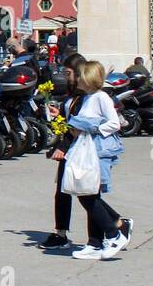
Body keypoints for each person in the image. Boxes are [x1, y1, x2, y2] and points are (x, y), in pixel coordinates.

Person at [62, 60, 131, 260]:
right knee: (87, 193)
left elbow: (114, 123)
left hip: (97, 151)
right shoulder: (87, 97)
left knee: (88, 194)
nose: (77, 79)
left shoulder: (101, 97)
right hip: (86, 149)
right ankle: (95, 242)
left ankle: (113, 233)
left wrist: (92, 130)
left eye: (81, 75)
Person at [43, 51, 87, 249]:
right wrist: (58, 112)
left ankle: (116, 225)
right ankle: (60, 233)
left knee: (88, 195)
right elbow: (69, 118)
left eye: (68, 72)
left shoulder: (85, 96)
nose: (64, 76)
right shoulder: (73, 95)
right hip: (70, 149)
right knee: (63, 191)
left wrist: (62, 147)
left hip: (80, 150)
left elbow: (76, 127)